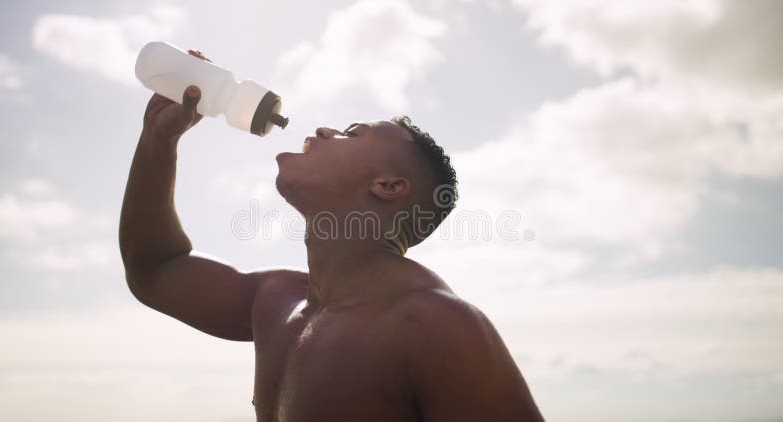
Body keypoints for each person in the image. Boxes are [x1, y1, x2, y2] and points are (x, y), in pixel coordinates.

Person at [119, 49, 543, 422]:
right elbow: (153, 270)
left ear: (388, 186)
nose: (324, 130)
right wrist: (159, 137)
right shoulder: (278, 302)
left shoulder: (436, 327)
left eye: (352, 133)